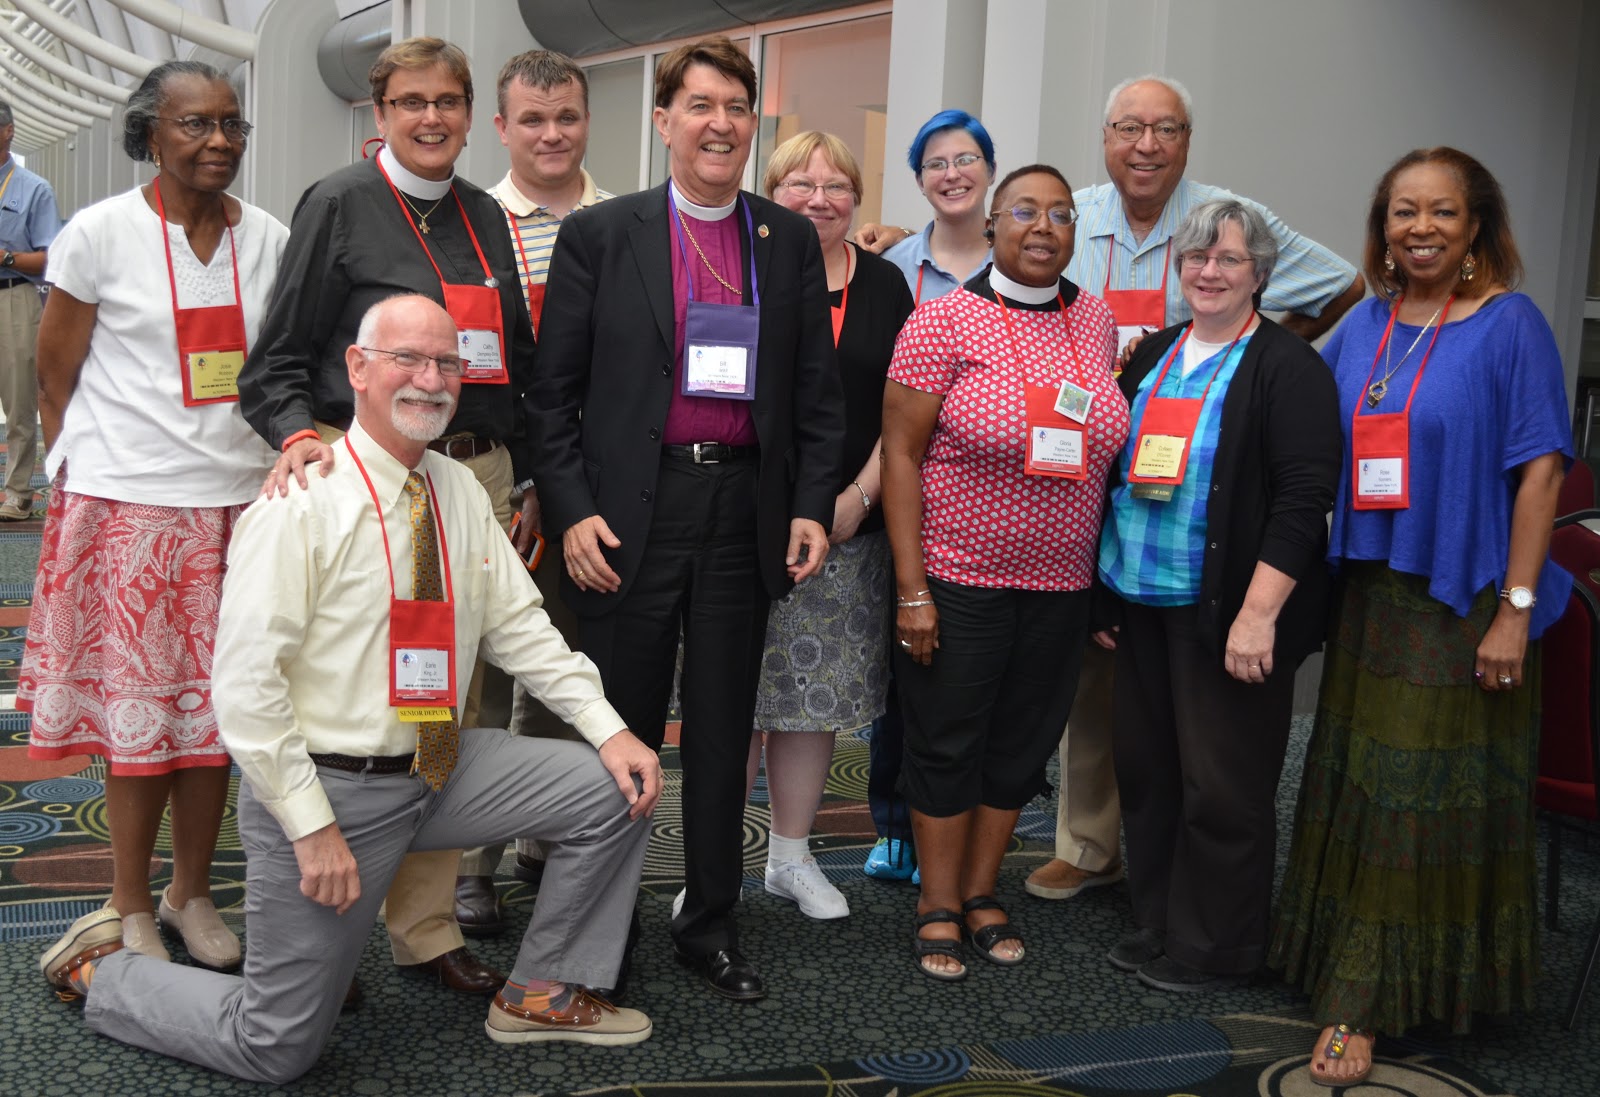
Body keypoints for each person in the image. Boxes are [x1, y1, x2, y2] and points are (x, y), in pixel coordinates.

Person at [41, 294, 663, 1083]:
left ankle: (542, 988)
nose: (430, 379)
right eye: (407, 358)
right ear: (358, 370)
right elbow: (245, 687)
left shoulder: (461, 491)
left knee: (617, 787)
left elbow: (522, 628)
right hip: (332, 790)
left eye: (446, 363)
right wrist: (307, 825)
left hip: (440, 766)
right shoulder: (302, 498)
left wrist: (609, 730)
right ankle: (104, 969)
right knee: (274, 1045)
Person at [532, 35, 845, 1003]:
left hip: (741, 507)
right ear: (663, 122)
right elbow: (555, 398)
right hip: (632, 513)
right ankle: (600, 929)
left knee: (719, 729)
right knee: (617, 729)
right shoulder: (602, 233)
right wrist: (572, 510)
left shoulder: (782, 238)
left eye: (736, 107)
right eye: (699, 105)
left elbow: (817, 396)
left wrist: (808, 505)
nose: (719, 123)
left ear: (753, 125)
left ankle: (708, 920)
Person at [1267, 148, 1570, 1086]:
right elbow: (1284, 393)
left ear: (1477, 224)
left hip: (1463, 598)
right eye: (1404, 212)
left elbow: (1542, 472)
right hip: (1370, 599)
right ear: (1383, 226)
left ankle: (1360, 1005)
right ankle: (1376, 974)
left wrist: (1514, 612)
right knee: (1359, 786)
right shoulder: (1366, 321)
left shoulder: (1512, 325)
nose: (1421, 228)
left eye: (1442, 211)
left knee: (1411, 804)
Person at [238, 36, 536, 985]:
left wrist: (520, 478)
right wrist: (296, 438)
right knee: (354, 700)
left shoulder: (488, 216)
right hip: (361, 477)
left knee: (451, 700)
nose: (432, 118)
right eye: (412, 102)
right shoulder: (337, 205)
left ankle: (426, 927)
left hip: (468, 481)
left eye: (448, 101)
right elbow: (275, 360)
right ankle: (327, 921)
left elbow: (512, 361)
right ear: (382, 113)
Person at [1030, 73, 1364, 906]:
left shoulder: (1227, 212)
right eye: (1129, 128)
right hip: (1101, 458)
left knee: (1197, 716)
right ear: (1104, 136)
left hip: (1202, 466)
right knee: (1102, 686)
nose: (1146, 144)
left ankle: (1185, 878)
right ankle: (1088, 842)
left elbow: (1343, 284)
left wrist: (1260, 359)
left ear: (1188, 139)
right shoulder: (1074, 210)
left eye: (1166, 129)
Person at [20, 61, 285, 974]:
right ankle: (129, 898)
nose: (218, 141)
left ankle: (192, 891)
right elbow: (56, 369)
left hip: (240, 507)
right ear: (151, 134)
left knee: (219, 715)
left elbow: (274, 364)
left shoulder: (270, 238)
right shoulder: (97, 234)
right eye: (194, 124)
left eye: (231, 123)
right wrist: (75, 467)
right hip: (129, 506)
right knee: (140, 721)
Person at [881, 165, 1127, 981]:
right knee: (948, 741)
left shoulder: (1094, 321)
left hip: (1060, 584)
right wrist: (912, 589)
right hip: (958, 576)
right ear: (993, 225)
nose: (1044, 226)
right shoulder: (942, 321)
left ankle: (985, 891)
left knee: (1020, 748)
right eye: (1025, 211)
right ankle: (938, 902)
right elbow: (901, 457)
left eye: (1061, 213)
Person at [1095, 199, 1341, 993]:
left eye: (1228, 259)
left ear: (1260, 275)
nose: (1208, 270)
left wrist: (1259, 614)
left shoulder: (1287, 367)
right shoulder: (1156, 354)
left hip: (1228, 613)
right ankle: (1162, 920)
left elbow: (1304, 501)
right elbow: (1116, 477)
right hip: (1141, 600)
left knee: (1222, 784)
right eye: (1197, 256)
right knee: (1151, 770)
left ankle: (1221, 945)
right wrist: (1105, 596)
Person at [454, 46, 618, 926]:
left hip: (589, 486)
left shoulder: (628, 217)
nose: (552, 134)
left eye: (566, 117)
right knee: (471, 675)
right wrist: (518, 474)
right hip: (490, 476)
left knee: (562, 665)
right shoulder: (473, 222)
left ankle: (542, 830)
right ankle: (465, 857)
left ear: (587, 119)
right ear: (503, 127)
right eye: (532, 119)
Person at [748, 131, 914, 920]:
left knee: (811, 702)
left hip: (848, 529)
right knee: (734, 698)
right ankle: (714, 856)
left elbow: (904, 414)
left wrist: (855, 495)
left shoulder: (885, 285)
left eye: (838, 183)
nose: (820, 197)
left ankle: (790, 856)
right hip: (741, 527)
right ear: (769, 191)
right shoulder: (736, 271)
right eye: (799, 182)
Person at [864, 110, 999, 884]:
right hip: (904, 487)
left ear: (988, 170)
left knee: (973, 677)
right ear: (918, 179)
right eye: (936, 162)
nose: (952, 173)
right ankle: (894, 823)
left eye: (967, 159)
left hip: (986, 500)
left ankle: (963, 828)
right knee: (903, 673)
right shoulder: (896, 266)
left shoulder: (1017, 261)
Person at [0, 98, 62, 521]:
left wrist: (4, 258)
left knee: (19, 400)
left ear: (8, 132)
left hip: (13, 300)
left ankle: (18, 492)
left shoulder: (33, 189)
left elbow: (49, 258)